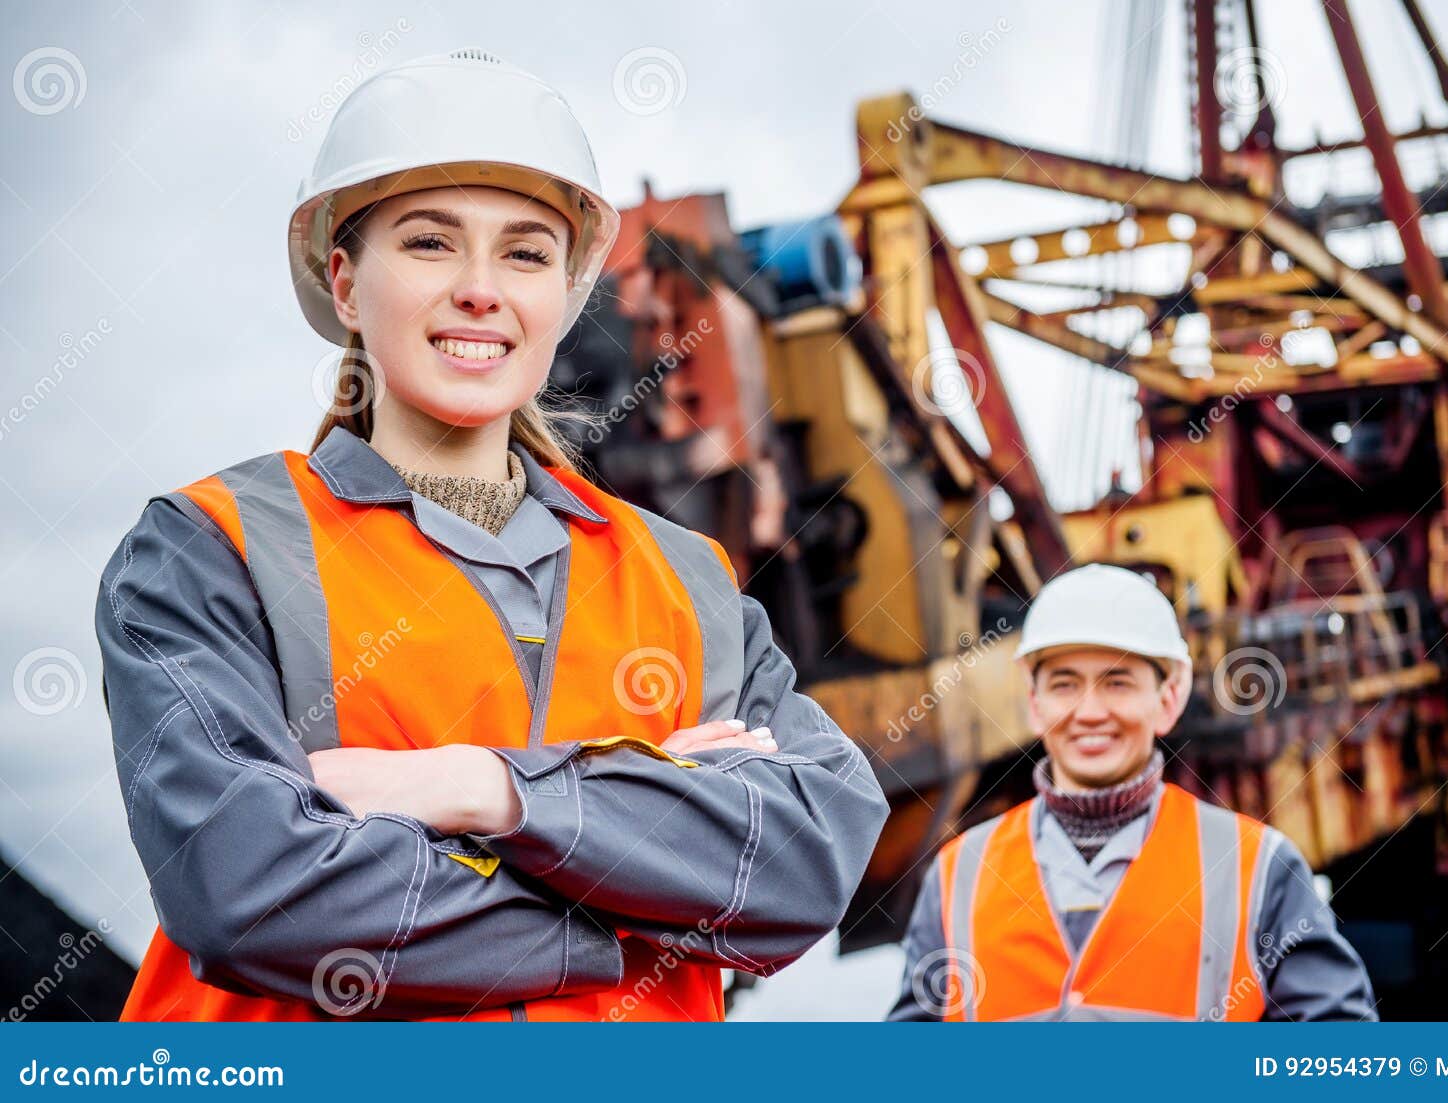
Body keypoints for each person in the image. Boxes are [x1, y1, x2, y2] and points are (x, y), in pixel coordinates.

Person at [95, 48, 888, 1022]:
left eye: (524, 251)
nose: (481, 288)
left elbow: (809, 855)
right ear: (344, 282)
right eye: (430, 242)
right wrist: (641, 899)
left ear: (562, 293)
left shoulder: (686, 579)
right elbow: (248, 888)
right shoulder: (212, 548)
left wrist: (476, 789)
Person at [888, 564, 1375, 1021]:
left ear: (1168, 701)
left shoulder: (1255, 866)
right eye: (1064, 684)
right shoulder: (959, 875)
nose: (1090, 711)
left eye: (1117, 683)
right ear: (1034, 705)